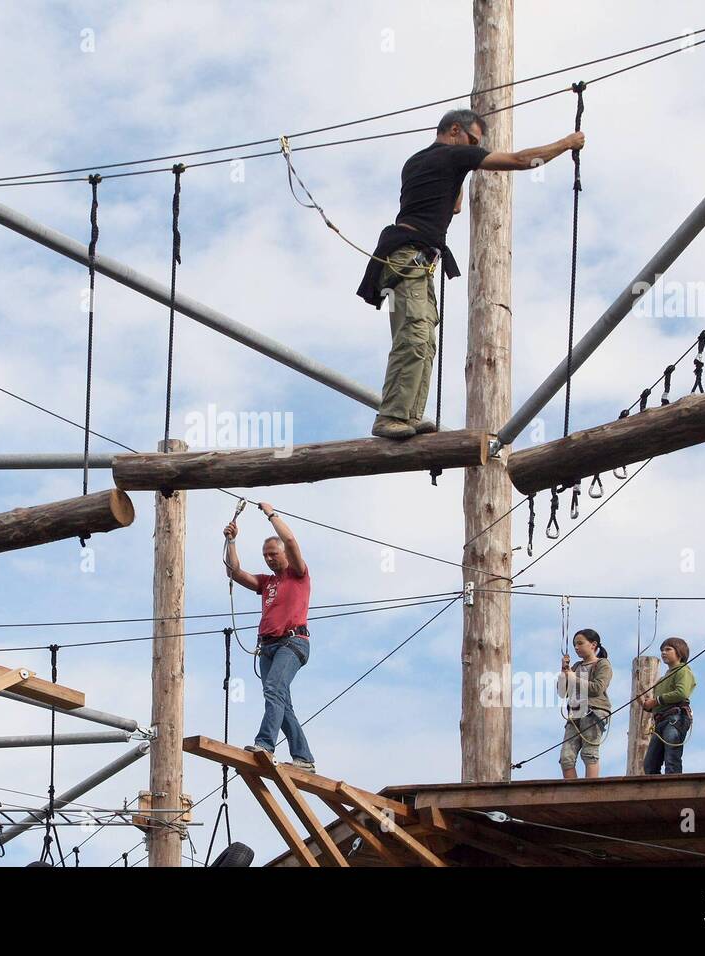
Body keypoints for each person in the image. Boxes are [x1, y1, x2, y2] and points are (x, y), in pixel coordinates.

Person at [357, 109, 585, 439]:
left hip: (405, 259)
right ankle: (391, 416)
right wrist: (567, 143)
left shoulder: (416, 161)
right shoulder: (454, 155)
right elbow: (522, 161)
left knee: (424, 338)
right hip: (408, 258)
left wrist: (461, 173)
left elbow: (454, 207)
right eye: (474, 140)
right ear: (455, 130)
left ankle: (406, 415)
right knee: (415, 337)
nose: (476, 147)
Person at [223, 501, 314, 772]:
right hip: (269, 647)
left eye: (273, 553)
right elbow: (234, 571)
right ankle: (304, 759)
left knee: (274, 690)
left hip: (292, 643)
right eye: (266, 555)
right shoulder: (267, 582)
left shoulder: (298, 574)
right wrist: (231, 541)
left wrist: (271, 513)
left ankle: (265, 744)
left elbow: (290, 539)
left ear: (284, 553)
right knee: (279, 699)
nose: (269, 558)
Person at [557, 628, 612, 779]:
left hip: (594, 711)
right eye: (575, 644)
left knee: (589, 753)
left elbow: (597, 688)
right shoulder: (576, 666)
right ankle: (572, 794)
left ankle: (591, 789)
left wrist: (573, 678)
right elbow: (562, 692)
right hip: (575, 713)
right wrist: (564, 672)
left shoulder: (602, 664)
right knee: (566, 758)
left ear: (593, 645)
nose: (576, 647)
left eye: (580, 643)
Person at [642, 637, 696, 775]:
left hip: (675, 718)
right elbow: (659, 703)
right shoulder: (661, 680)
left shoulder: (683, 670)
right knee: (650, 764)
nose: (663, 653)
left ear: (680, 652)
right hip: (661, 720)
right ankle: (655, 793)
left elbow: (681, 693)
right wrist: (649, 705)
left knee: (672, 758)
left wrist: (655, 701)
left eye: (668, 649)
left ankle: (675, 792)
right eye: (662, 650)